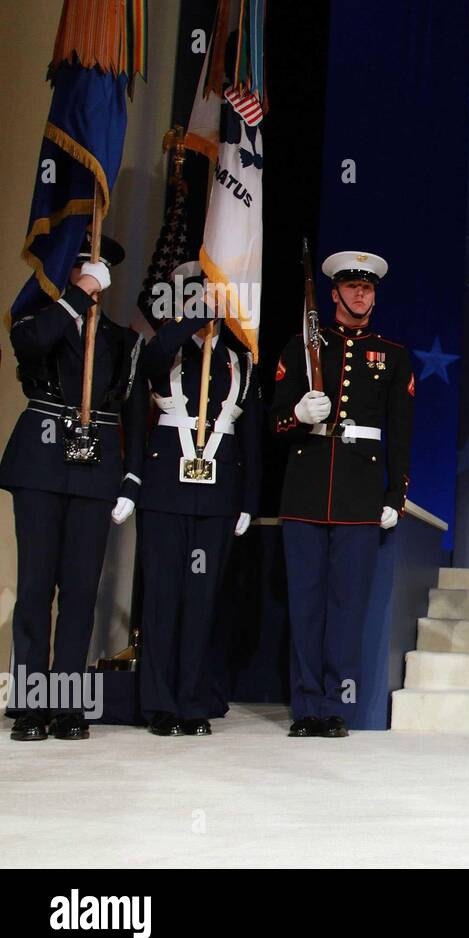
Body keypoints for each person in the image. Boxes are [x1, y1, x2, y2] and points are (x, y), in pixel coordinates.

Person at [0, 233, 145, 741]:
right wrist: (76, 295)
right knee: (37, 588)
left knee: (81, 591)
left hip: (95, 469)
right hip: (40, 464)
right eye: (84, 267)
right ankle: (31, 704)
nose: (94, 277)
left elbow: (131, 411)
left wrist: (130, 476)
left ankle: (67, 704)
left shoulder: (121, 341)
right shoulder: (40, 319)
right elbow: (31, 343)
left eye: (99, 270)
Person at [270, 251, 413, 738]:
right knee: (305, 604)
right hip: (306, 489)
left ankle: (335, 707)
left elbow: (401, 432)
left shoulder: (392, 355)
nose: (359, 294)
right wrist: (299, 416)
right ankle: (305, 706)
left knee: (347, 607)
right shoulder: (302, 345)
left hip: (358, 493)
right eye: (351, 286)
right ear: (333, 294)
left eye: (367, 288)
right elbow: (275, 421)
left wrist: (395, 496)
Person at [135, 263, 261, 737]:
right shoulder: (167, 348)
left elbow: (248, 431)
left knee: (200, 599)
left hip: (217, 496)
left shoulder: (238, 358)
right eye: (194, 298)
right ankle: (158, 705)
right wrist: (193, 317)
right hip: (166, 489)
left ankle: (190, 702)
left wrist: (249, 499)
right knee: (163, 597)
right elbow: (150, 361)